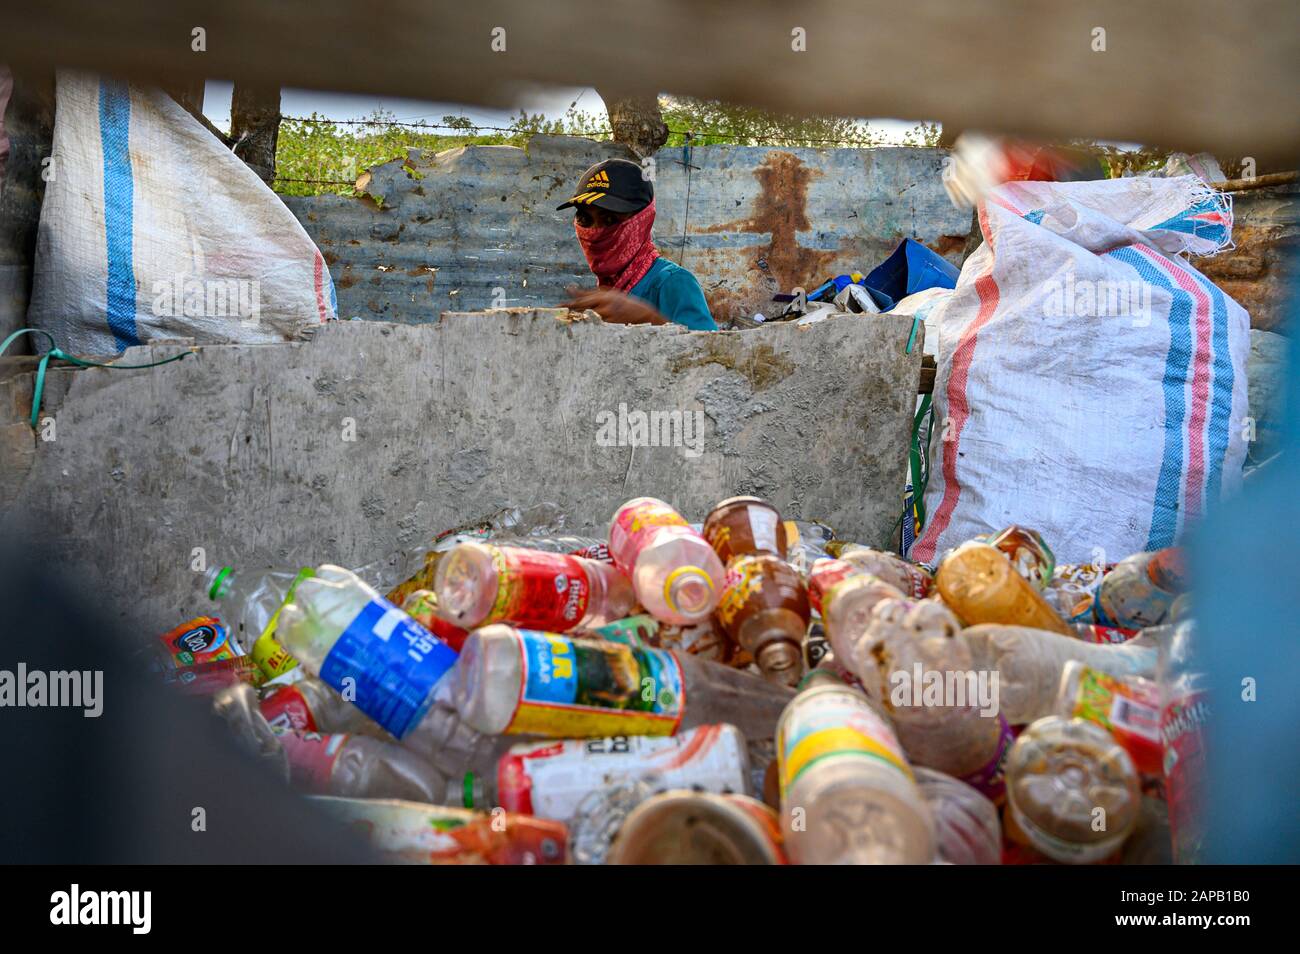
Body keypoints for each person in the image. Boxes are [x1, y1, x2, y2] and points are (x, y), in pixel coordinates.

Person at [559, 158, 718, 330]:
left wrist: (649, 319)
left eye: (610, 219)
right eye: (585, 219)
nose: (595, 231)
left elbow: (712, 352)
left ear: (642, 221)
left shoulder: (674, 283)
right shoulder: (608, 289)